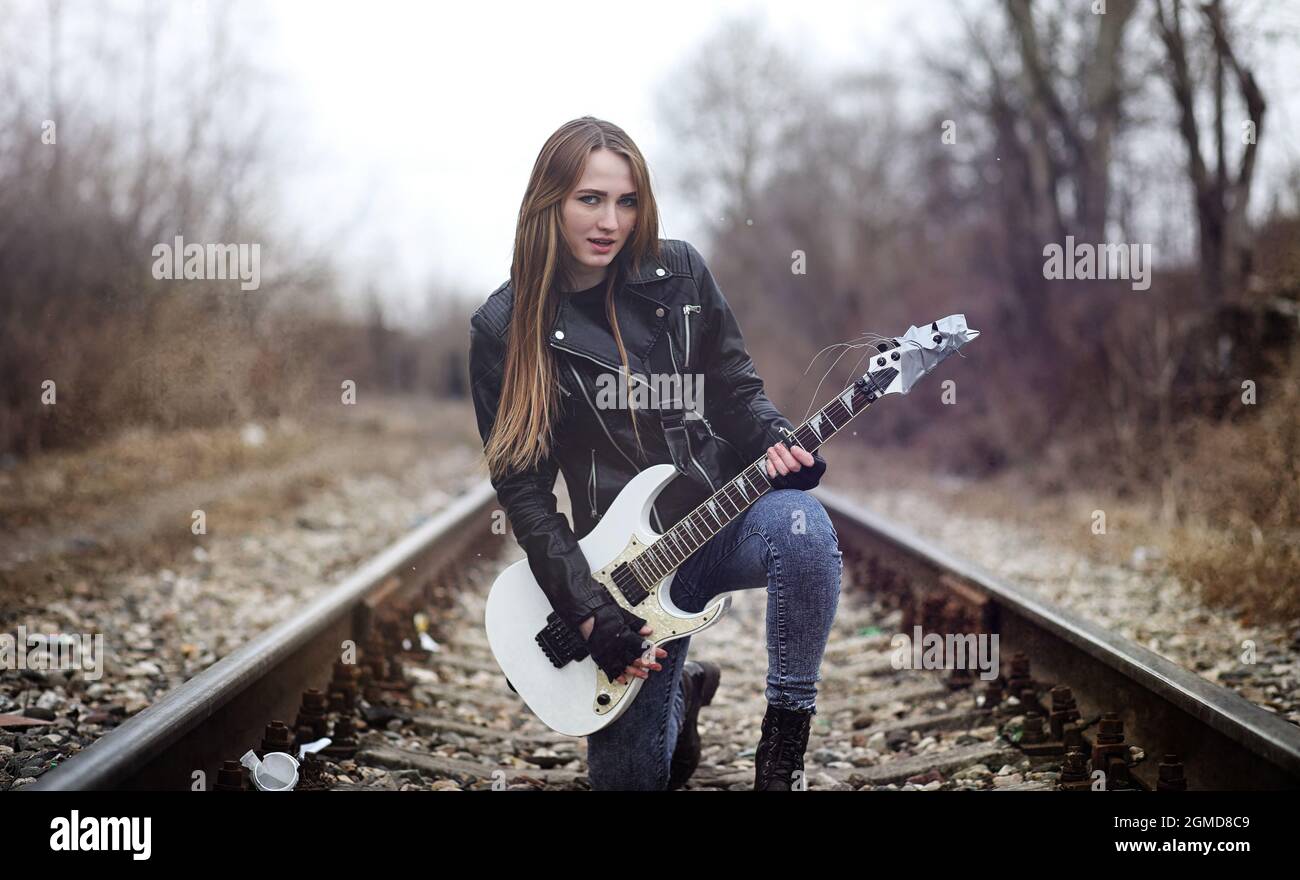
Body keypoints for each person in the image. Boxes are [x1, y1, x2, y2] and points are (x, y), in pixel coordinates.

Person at [468, 116, 842, 791]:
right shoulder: (504, 326)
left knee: (805, 530)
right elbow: (523, 490)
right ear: (548, 203)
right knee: (633, 782)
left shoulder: (681, 274)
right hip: (624, 573)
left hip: (716, 520)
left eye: (627, 200)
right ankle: (684, 694)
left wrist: (776, 440)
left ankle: (782, 750)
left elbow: (736, 391)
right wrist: (588, 611)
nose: (610, 220)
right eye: (590, 198)